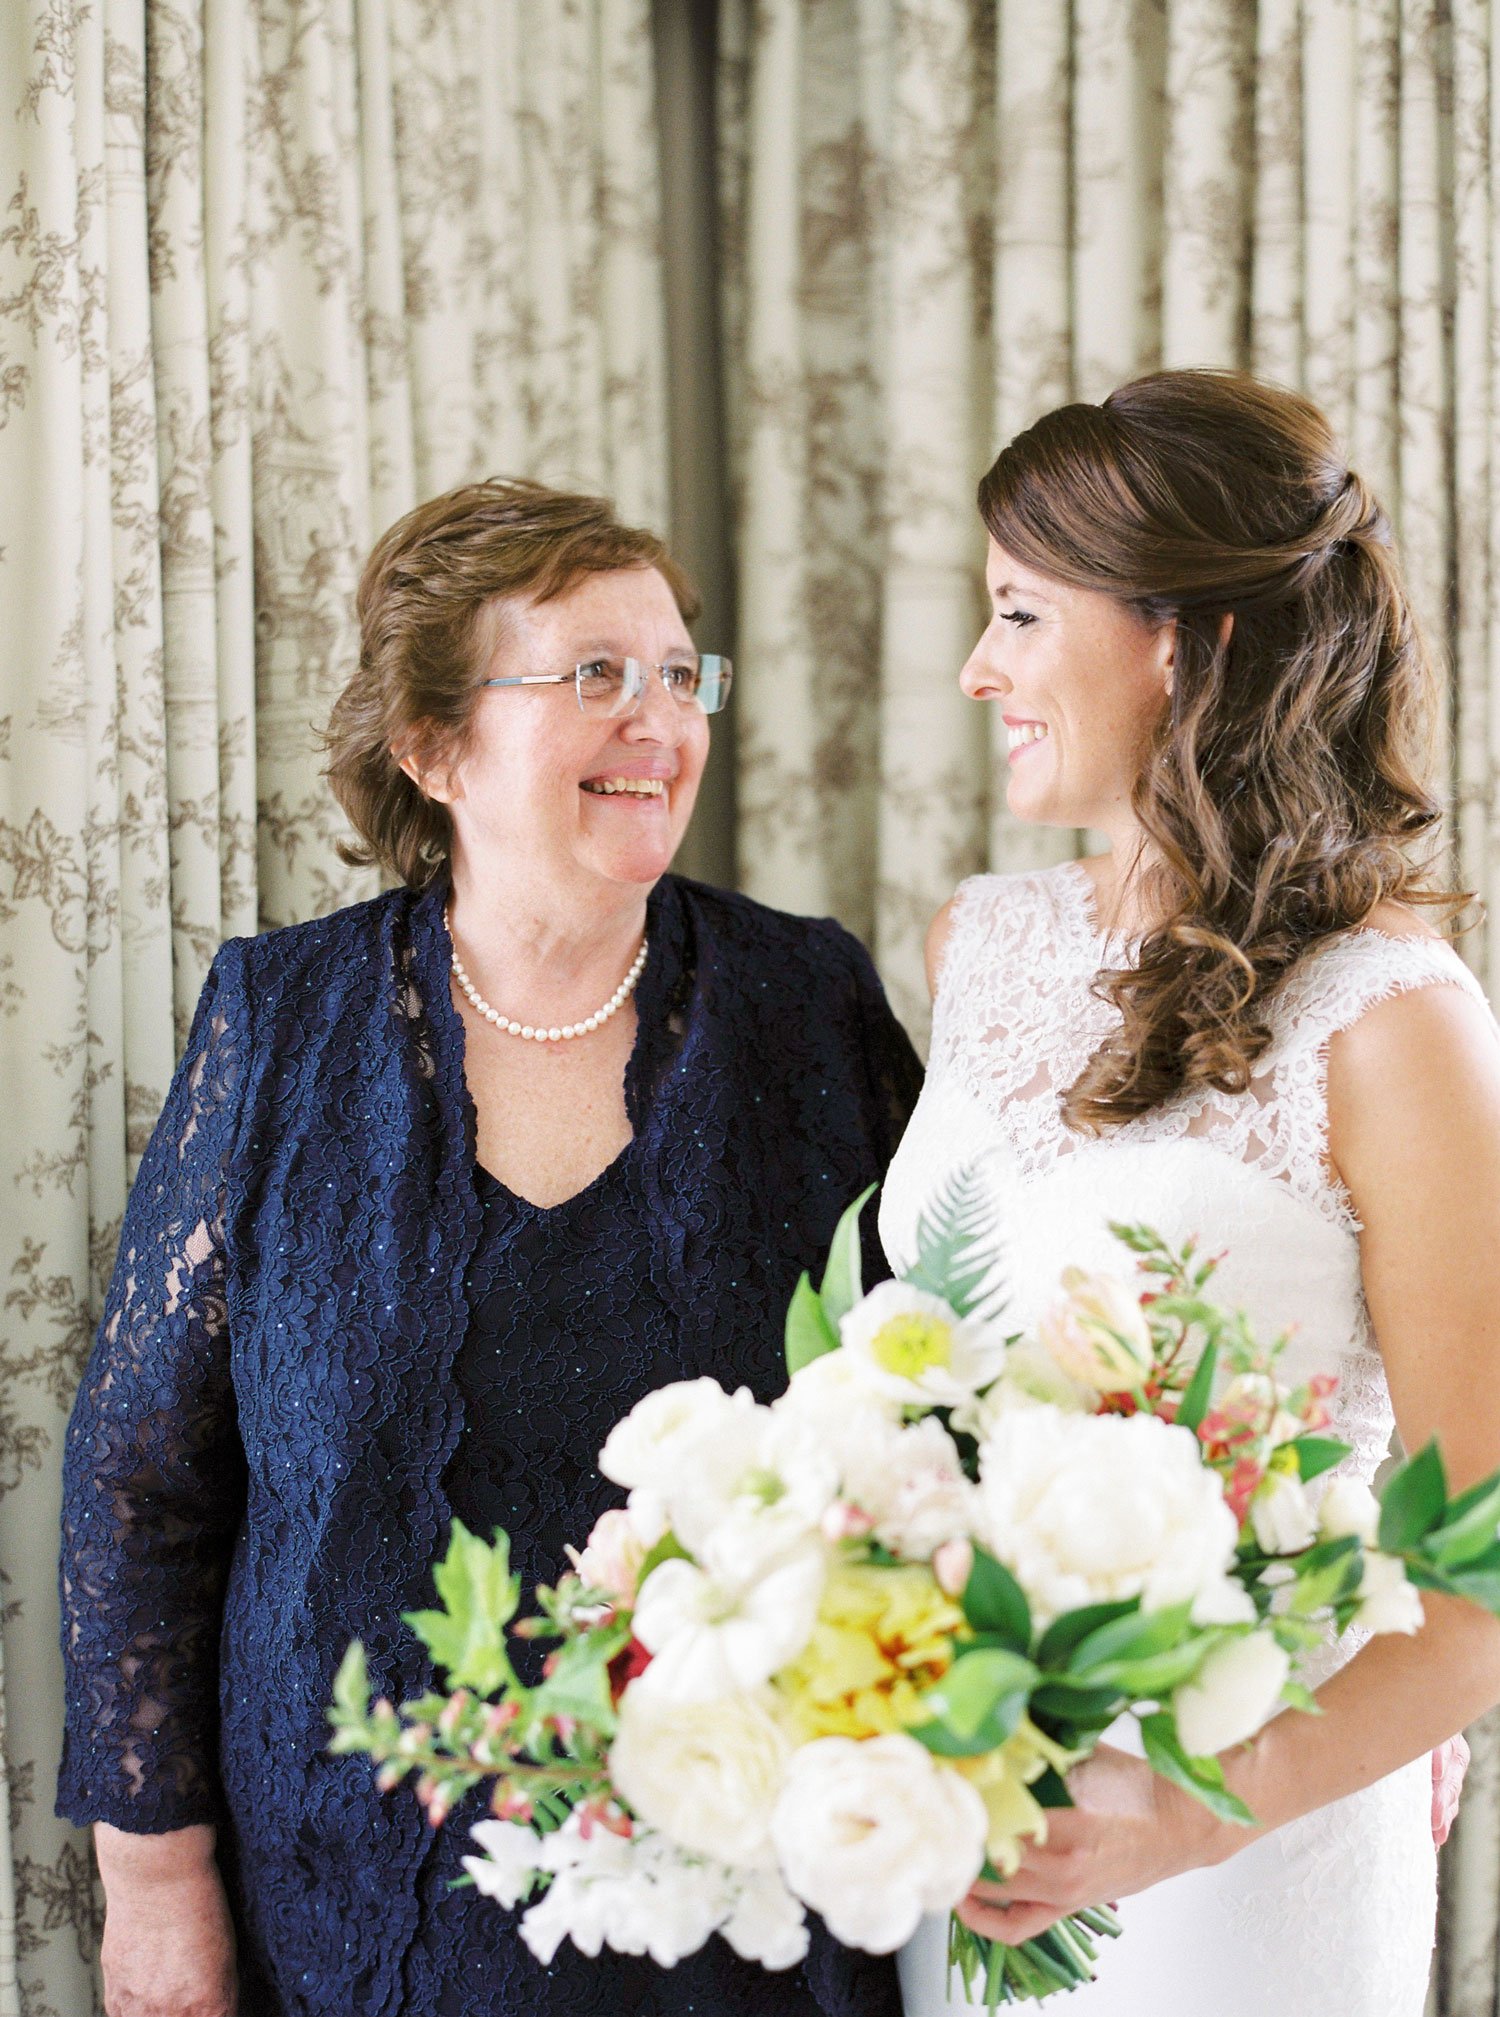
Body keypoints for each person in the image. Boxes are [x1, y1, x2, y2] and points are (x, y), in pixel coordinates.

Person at [57, 478, 920, 2017]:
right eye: (594, 675)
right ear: (432, 744)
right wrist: (155, 1886)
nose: (659, 719)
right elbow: (140, 1479)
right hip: (352, 1905)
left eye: (677, 673)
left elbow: (936, 1411)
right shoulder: (281, 1023)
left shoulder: (812, 1003)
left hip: (738, 1899)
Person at [883, 371, 1500, 2017]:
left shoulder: (1397, 1025)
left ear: (1188, 641)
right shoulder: (979, 946)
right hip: (982, 1807)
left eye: (1020, 612)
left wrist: (1193, 1805)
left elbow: (1480, 1583)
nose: (977, 668)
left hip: (1247, 1855)